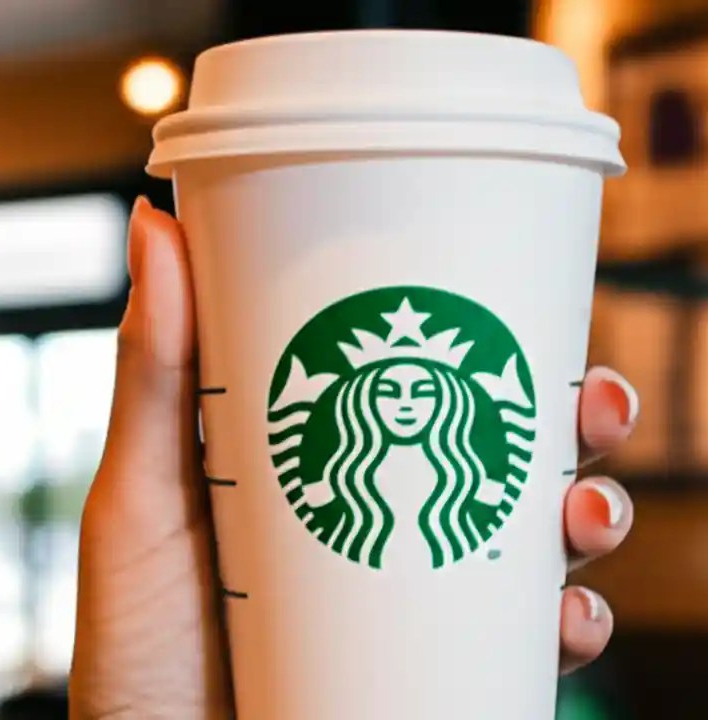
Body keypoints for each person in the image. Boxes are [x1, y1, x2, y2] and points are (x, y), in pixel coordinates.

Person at [68, 197, 641, 719]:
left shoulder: (462, 484)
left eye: (423, 392)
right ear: (361, 400)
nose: (407, 406)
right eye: (390, 391)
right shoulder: (345, 483)